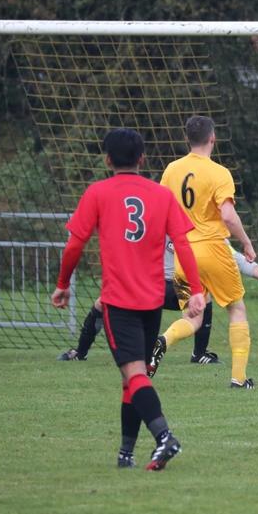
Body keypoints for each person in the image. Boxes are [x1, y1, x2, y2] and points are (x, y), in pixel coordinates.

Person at [51, 128, 206, 471]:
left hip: (119, 302)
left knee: (134, 373)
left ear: (107, 159)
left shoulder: (98, 193)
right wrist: (195, 289)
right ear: (142, 158)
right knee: (133, 379)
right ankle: (125, 455)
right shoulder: (161, 195)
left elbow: (75, 244)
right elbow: (182, 243)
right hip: (151, 302)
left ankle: (165, 436)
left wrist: (63, 284)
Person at [57, 242, 258, 363]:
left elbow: (239, 260)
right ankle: (80, 352)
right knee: (103, 302)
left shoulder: (206, 230)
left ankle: (198, 355)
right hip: (150, 286)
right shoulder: (159, 221)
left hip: (178, 288)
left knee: (202, 297)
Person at [153, 115, 258, 388]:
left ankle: (163, 340)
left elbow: (161, 210)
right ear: (213, 138)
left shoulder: (171, 170)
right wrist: (246, 242)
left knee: (193, 315)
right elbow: (228, 215)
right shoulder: (219, 173)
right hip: (212, 249)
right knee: (236, 308)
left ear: (187, 139)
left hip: (182, 252)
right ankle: (239, 378)